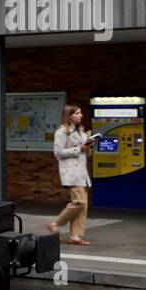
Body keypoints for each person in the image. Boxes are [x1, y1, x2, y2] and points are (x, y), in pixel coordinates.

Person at [48, 103, 94, 246]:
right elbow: (58, 153)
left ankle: (76, 236)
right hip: (70, 173)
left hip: (81, 173)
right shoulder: (61, 132)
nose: (81, 115)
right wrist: (78, 148)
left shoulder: (80, 132)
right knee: (79, 202)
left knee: (84, 205)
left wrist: (89, 145)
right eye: (77, 113)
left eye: (80, 113)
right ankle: (56, 223)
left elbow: (83, 151)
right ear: (69, 116)